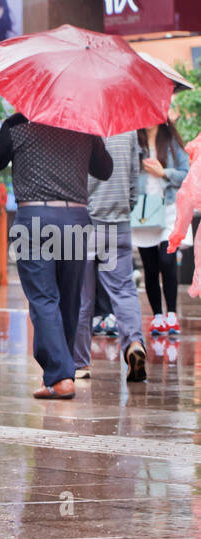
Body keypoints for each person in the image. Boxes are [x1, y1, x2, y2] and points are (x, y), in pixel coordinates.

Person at [0, 112, 113, 399]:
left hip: (35, 217)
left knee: (44, 299)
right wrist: (94, 132)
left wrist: (8, 125)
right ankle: (57, 375)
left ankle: (59, 376)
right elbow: (105, 170)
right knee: (68, 300)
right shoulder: (84, 123)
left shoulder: (17, 124)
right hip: (76, 219)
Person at [73, 130, 147, 385]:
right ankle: (134, 343)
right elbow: (134, 176)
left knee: (82, 296)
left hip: (85, 221)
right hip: (119, 221)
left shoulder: (82, 125)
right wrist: (127, 205)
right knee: (124, 290)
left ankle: (80, 363)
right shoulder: (129, 129)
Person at [133, 116, 189, 335]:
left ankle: (172, 314)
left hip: (168, 210)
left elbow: (186, 175)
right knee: (150, 265)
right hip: (143, 211)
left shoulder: (171, 139)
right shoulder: (135, 142)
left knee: (167, 260)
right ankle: (157, 315)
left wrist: (163, 173)